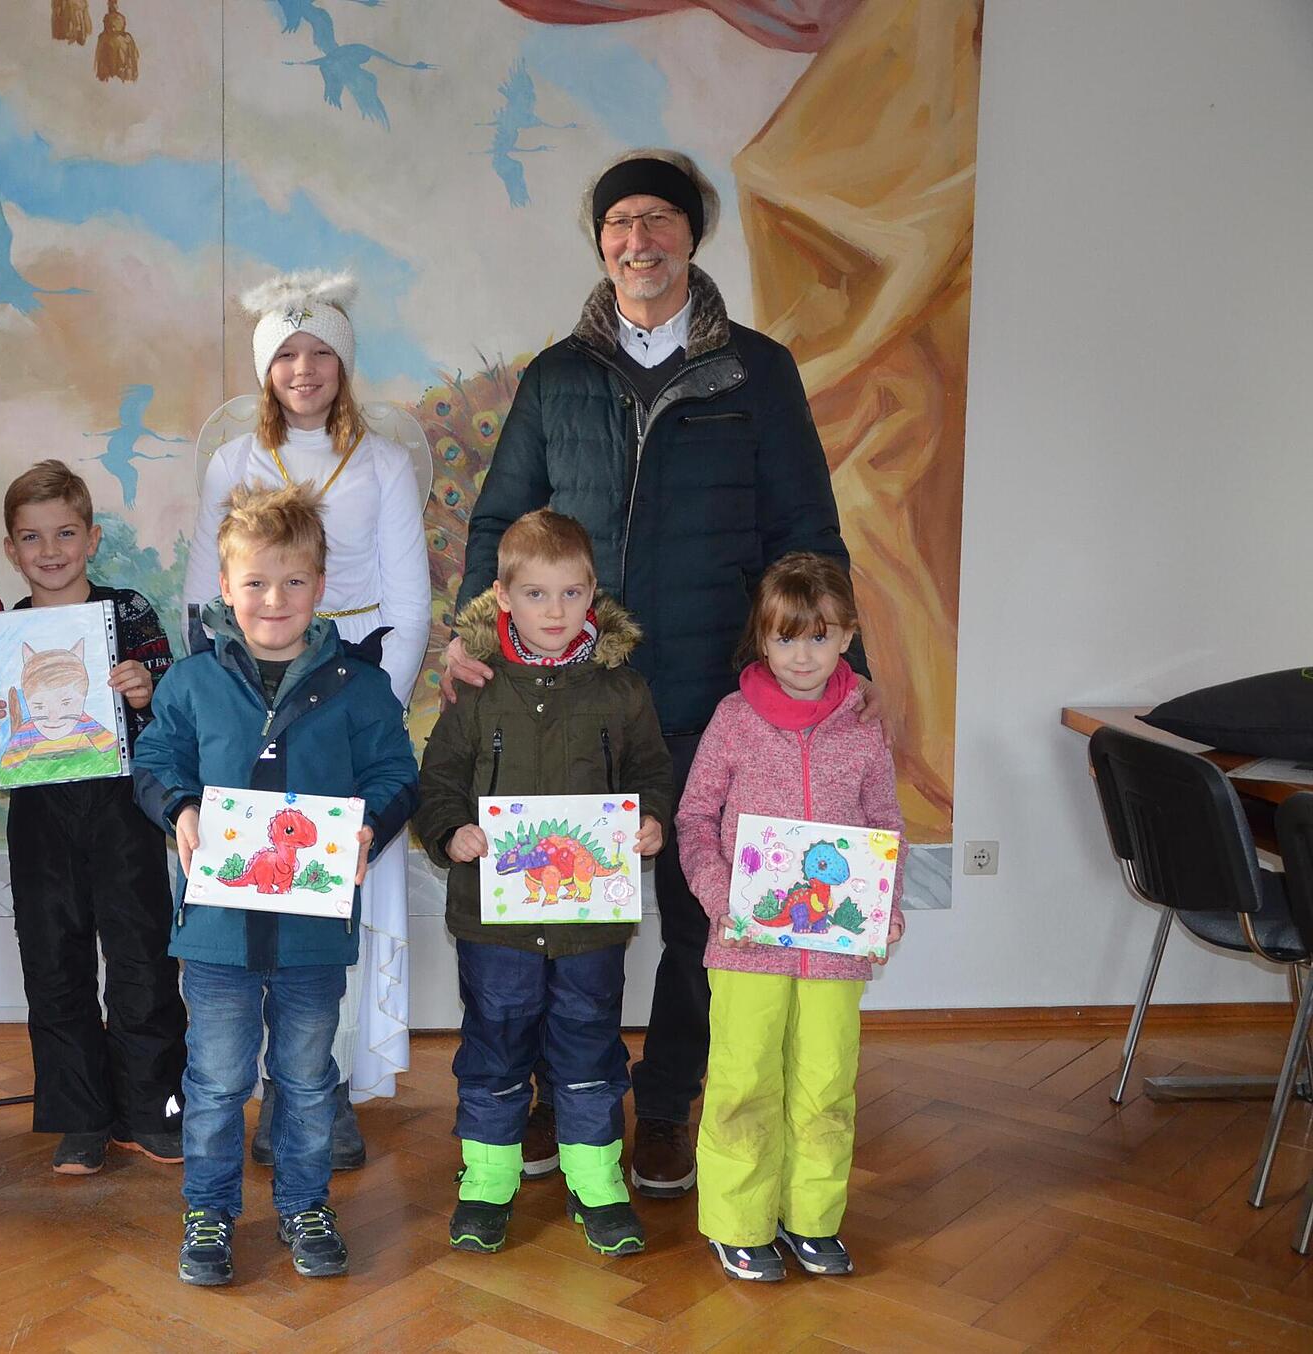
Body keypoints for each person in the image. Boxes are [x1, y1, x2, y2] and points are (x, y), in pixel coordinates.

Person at [444, 150, 871, 1197]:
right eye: (619, 222)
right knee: (553, 906)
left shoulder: (756, 372)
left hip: (706, 696)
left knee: (699, 917)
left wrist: (837, 681)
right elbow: (501, 520)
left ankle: (670, 1104)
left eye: (659, 220)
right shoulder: (555, 376)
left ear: (691, 235)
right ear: (600, 243)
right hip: (564, 696)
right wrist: (474, 632)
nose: (638, 239)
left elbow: (803, 529)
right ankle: (559, 1091)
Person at [136, 483, 419, 1286]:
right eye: (255, 582)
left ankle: (305, 1204)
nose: (274, 599)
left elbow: (398, 772)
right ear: (224, 588)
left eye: (293, 582)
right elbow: (156, 766)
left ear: (320, 588)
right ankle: (209, 1211)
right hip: (218, 932)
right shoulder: (190, 683)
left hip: (311, 934)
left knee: (305, 1079)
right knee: (217, 1082)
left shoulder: (358, 687)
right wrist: (181, 810)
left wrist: (372, 825)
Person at [183, 269, 432, 1164]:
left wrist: (373, 718)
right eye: (286, 353)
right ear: (265, 368)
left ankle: (328, 1092)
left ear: (344, 361)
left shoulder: (384, 463)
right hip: (254, 705)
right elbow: (199, 602)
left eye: (320, 350)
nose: (303, 367)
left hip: (354, 698)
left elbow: (410, 592)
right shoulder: (231, 465)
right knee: (255, 908)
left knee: (339, 915)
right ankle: (258, 1092)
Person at [414, 510, 674, 1257]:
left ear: (593, 593)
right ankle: (486, 1183)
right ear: (503, 597)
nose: (553, 611)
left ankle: (598, 1186)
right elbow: (439, 783)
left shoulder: (622, 690)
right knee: (494, 1047)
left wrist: (651, 819)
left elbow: (653, 773)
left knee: (591, 1048)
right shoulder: (477, 689)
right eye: (535, 594)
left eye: (569, 593)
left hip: (590, 927)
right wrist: (450, 831)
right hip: (493, 926)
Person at [672, 553, 904, 1281]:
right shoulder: (734, 721)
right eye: (784, 638)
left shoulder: (863, 727)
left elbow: (884, 824)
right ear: (761, 641)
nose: (801, 655)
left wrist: (885, 907)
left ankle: (811, 1217)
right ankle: (738, 1221)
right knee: (743, 1080)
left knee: (826, 1083)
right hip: (745, 947)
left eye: (819, 637)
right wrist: (722, 897)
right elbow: (694, 819)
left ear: (846, 638)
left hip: (835, 954)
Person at [0, 459, 186, 1176]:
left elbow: (173, 715)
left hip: (123, 813)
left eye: (66, 532)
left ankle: (152, 1107)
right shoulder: (6, 633)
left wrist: (144, 690)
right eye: (32, 538)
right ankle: (81, 1117)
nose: (51, 549)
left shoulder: (129, 612)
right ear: (12, 549)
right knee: (54, 966)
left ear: (92, 537)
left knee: (142, 959)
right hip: (38, 816)